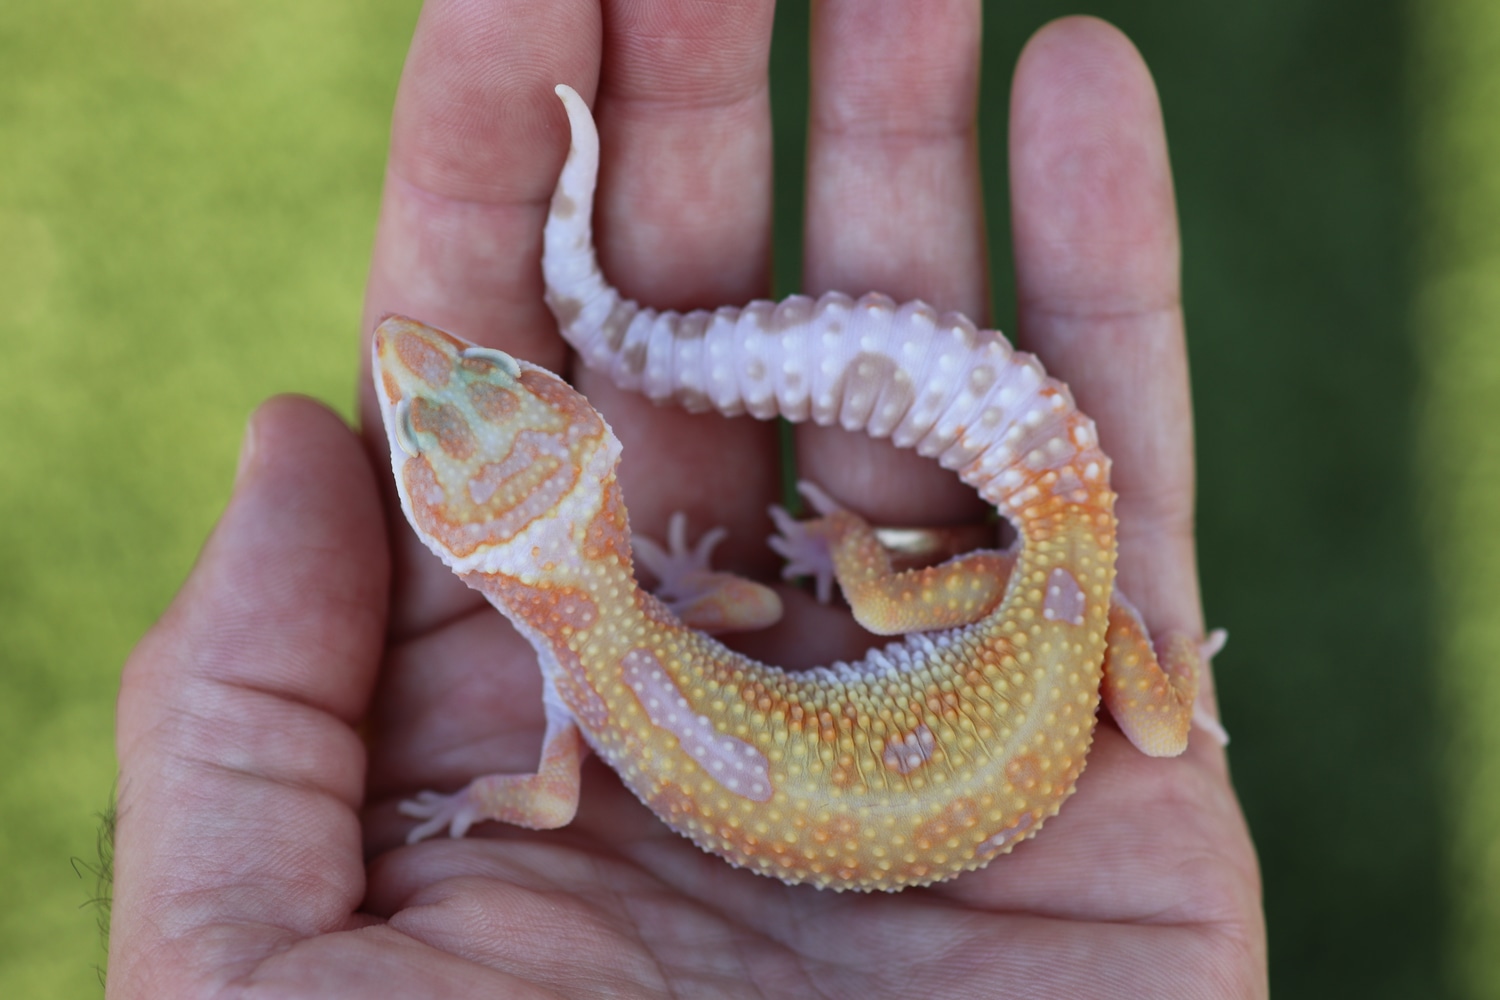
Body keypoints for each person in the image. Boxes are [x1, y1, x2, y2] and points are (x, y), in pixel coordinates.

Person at [107, 2, 1267, 996]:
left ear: (461, 541)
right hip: (1032, 629)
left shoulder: (582, 680)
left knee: (1120, 709)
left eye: (470, 384)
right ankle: (1124, 646)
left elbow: (557, 800)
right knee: (911, 617)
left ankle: (1168, 665)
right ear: (588, 450)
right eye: (438, 414)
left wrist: (471, 802)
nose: (409, 358)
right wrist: (828, 553)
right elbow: (715, 647)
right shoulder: (617, 653)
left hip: (1052, 659)